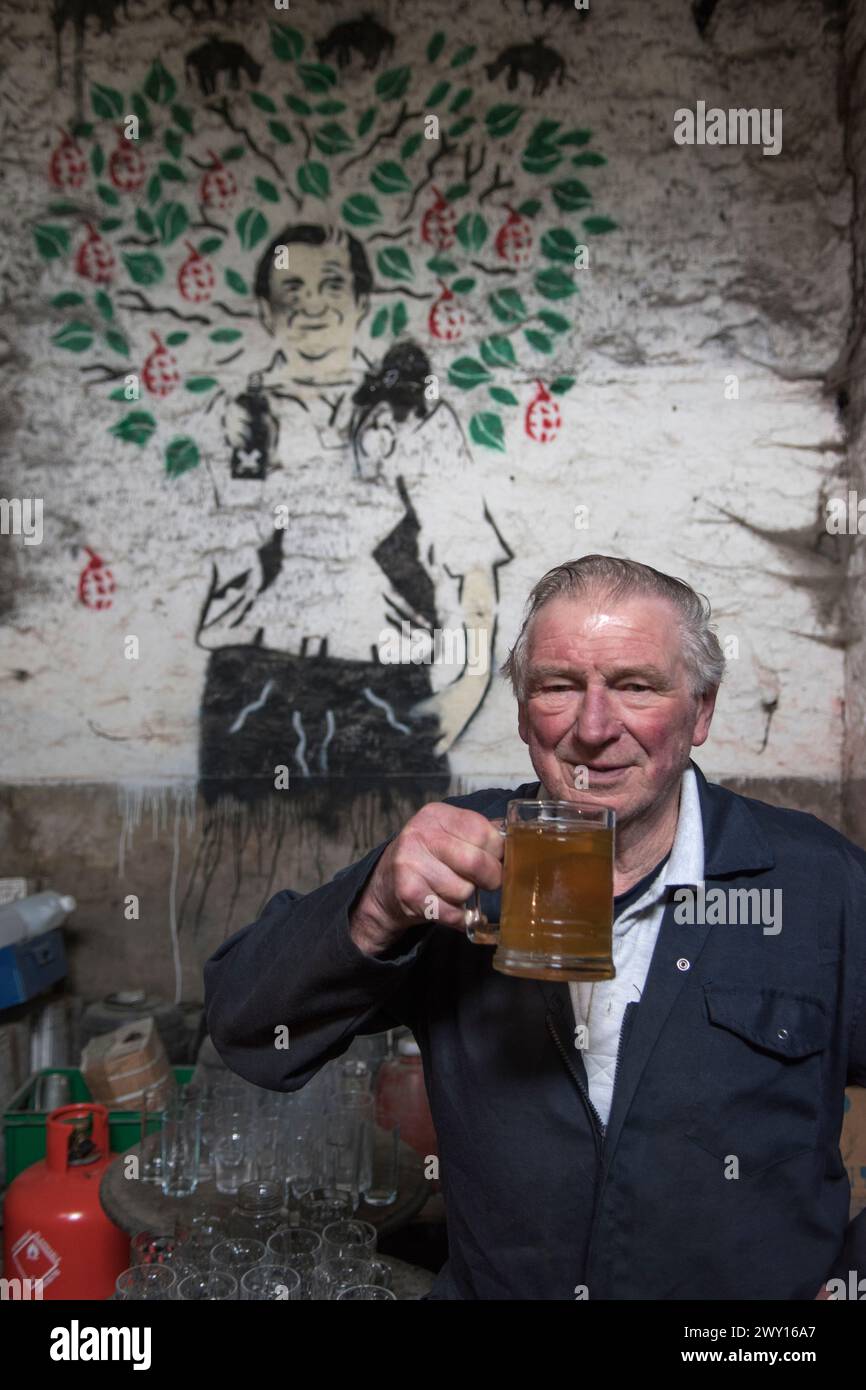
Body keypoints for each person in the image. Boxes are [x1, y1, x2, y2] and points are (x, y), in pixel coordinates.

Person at [203, 554, 866, 1299]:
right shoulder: (458, 858)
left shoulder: (816, 885)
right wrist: (375, 907)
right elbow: (245, 1029)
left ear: (701, 712)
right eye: (558, 687)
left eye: (635, 686)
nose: (593, 727)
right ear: (523, 713)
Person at [195, 222, 511, 804]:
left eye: (331, 286)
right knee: (245, 869)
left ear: (361, 302)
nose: (311, 306)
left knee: (399, 875)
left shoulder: (412, 414)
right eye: (291, 292)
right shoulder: (238, 417)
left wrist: (468, 686)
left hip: (382, 687)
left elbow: (470, 560)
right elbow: (223, 555)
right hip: (252, 686)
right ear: (266, 312)